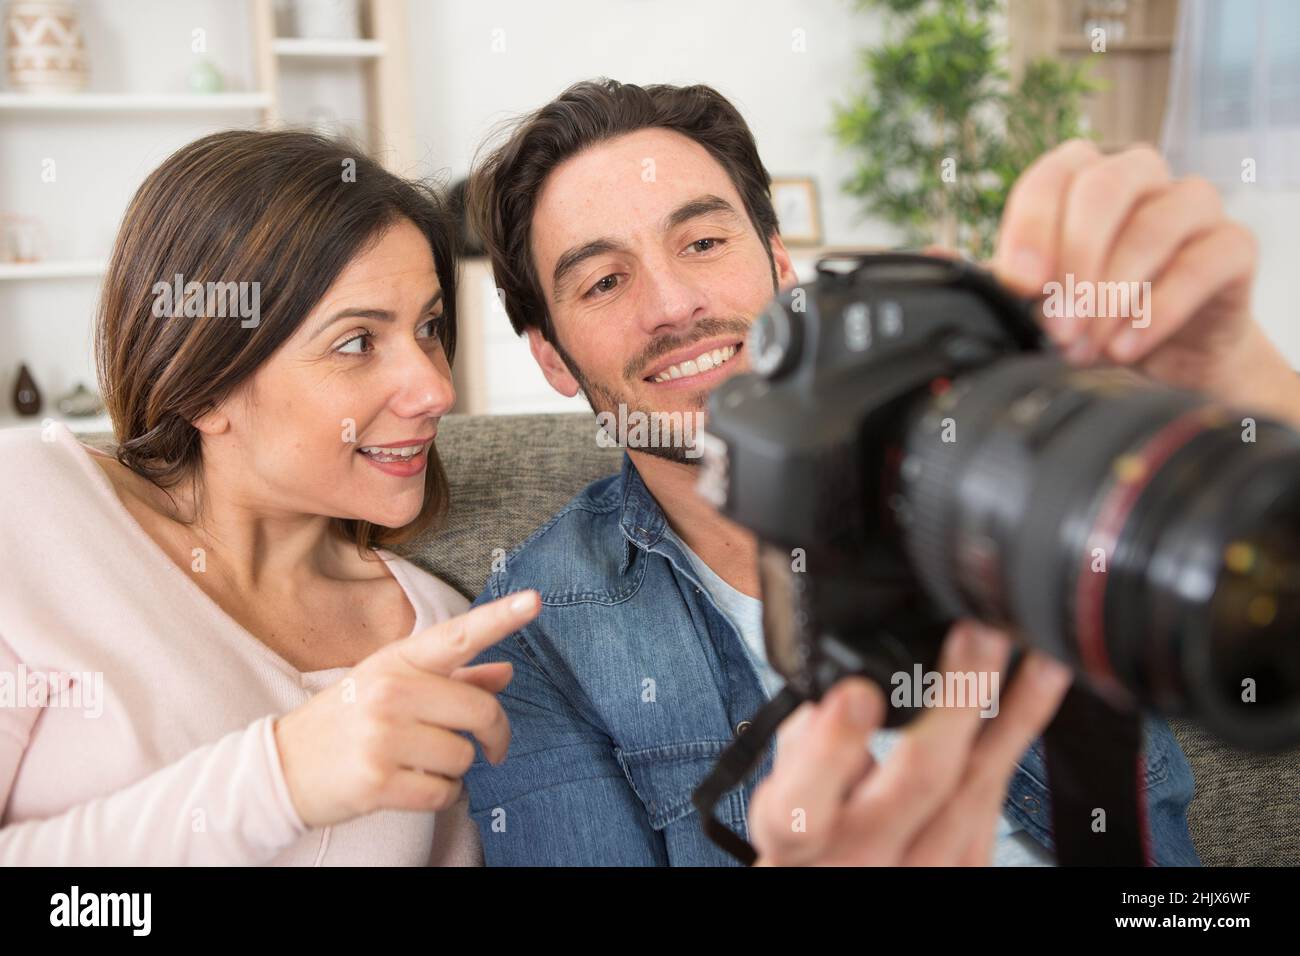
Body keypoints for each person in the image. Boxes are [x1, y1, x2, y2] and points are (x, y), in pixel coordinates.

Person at [461, 77, 1297, 865]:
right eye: (605, 281)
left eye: (706, 241)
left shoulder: (1028, 472)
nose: (674, 304)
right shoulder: (531, 636)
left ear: (781, 266)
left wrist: (1254, 392)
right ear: (551, 358)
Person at [0, 129, 540, 864]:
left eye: (430, 327)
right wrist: (278, 778)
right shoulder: (29, 513)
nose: (437, 390)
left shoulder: (439, 634)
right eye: (357, 342)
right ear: (203, 385)